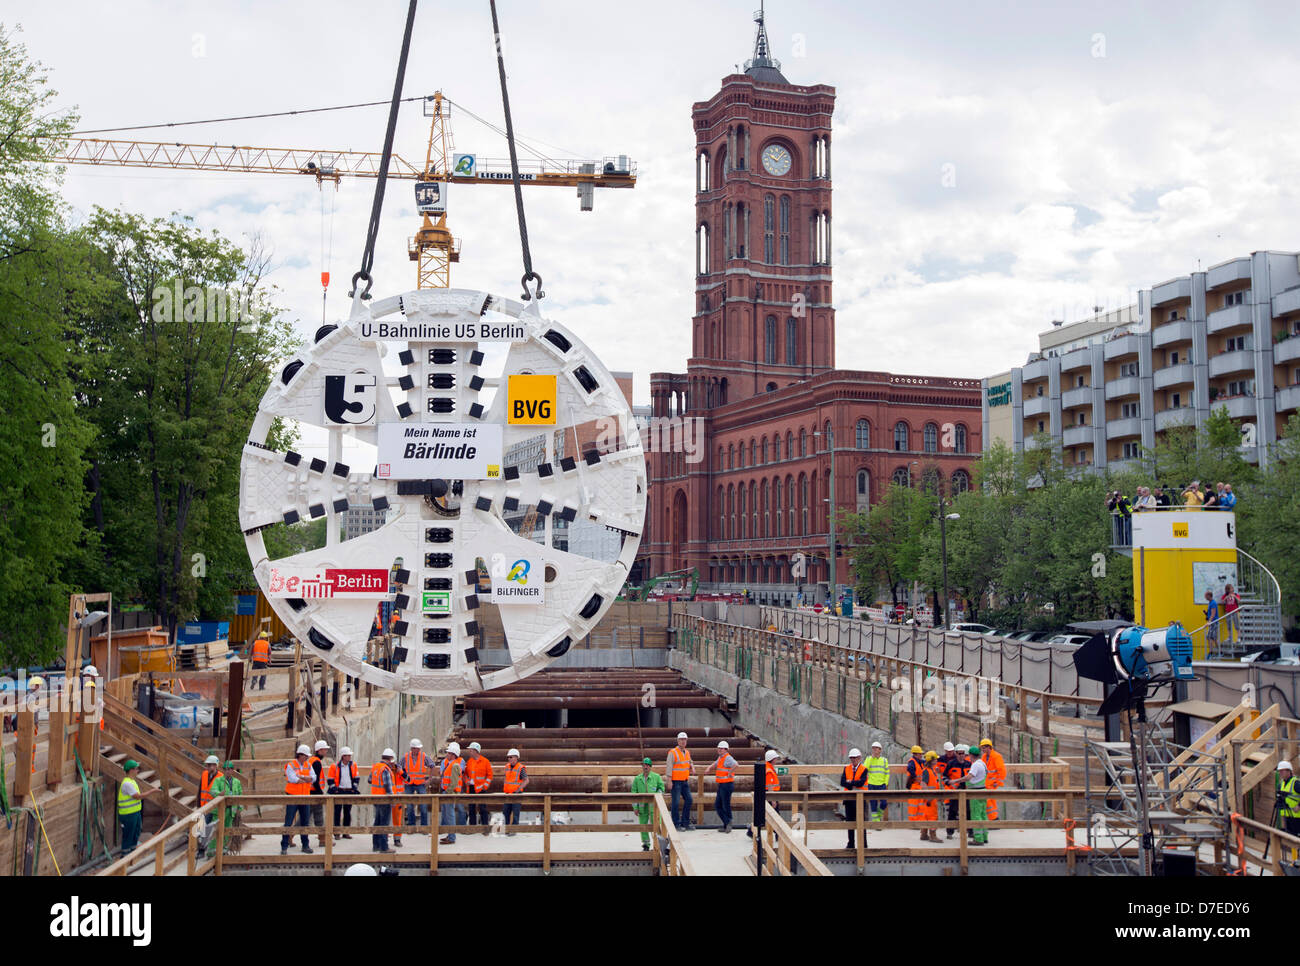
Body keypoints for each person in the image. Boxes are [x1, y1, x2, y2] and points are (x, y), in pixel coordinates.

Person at [282, 744, 315, 855]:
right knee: (288, 822)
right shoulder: (291, 765)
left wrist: (302, 777)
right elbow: (293, 779)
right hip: (293, 797)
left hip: (305, 797)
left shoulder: (308, 765)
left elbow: (313, 778)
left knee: (305, 823)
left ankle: (305, 845)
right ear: (300, 755)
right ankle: (284, 846)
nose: (307, 758)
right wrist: (305, 778)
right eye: (306, 756)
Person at [207, 761, 243, 856]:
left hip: (231, 810)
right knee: (217, 830)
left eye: (229, 769)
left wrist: (240, 808)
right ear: (223, 770)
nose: (227, 771)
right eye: (226, 769)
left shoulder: (237, 782)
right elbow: (212, 791)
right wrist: (219, 794)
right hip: (220, 810)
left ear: (232, 770)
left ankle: (224, 850)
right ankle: (212, 851)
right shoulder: (219, 780)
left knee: (227, 829)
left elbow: (240, 795)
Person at [117, 759, 153, 855]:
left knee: (136, 832)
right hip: (128, 814)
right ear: (131, 770)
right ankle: (125, 855)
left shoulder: (132, 781)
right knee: (128, 834)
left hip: (135, 812)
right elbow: (137, 796)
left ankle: (132, 852)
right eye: (136, 769)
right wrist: (151, 792)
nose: (138, 771)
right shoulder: (127, 783)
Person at [631, 757, 665, 852]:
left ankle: (659, 844)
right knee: (643, 826)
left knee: (657, 825)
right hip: (642, 807)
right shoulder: (638, 779)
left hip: (654, 806)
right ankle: (646, 844)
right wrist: (635, 807)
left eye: (647, 765)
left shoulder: (656, 777)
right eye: (644, 765)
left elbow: (661, 788)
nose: (645, 767)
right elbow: (633, 793)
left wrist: (657, 796)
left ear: (650, 767)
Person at [704, 740, 738, 832]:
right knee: (718, 805)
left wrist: (730, 772)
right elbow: (715, 764)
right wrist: (709, 768)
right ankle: (726, 823)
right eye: (718, 748)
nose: (719, 750)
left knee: (725, 805)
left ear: (726, 750)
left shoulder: (727, 758)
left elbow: (736, 764)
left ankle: (728, 823)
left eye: (721, 748)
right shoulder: (721, 758)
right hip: (722, 784)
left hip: (727, 784)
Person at [438, 742, 467, 845]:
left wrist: (448, 792)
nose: (447, 754)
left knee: (450, 815)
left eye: (449, 753)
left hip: (449, 793)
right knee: (448, 814)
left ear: (453, 754)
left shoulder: (454, 765)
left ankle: (452, 837)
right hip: (447, 792)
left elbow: (454, 782)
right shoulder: (451, 764)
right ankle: (450, 835)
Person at [327, 746, 359, 839]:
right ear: (343, 756)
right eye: (348, 755)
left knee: (347, 812)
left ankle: (346, 832)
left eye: (349, 755)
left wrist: (354, 788)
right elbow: (330, 780)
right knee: (337, 812)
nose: (349, 757)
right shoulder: (334, 766)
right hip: (339, 791)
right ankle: (337, 833)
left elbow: (357, 778)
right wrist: (335, 790)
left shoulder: (353, 765)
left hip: (349, 791)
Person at [369, 748, 396, 853]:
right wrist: (392, 800)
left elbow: (370, 780)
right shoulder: (385, 769)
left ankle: (376, 845)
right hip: (384, 800)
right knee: (384, 824)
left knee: (377, 822)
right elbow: (388, 787)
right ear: (390, 759)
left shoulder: (376, 767)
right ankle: (384, 847)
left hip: (376, 798)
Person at [666, 732, 694, 831]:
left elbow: (689, 761)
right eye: (681, 739)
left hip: (684, 781)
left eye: (684, 739)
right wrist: (669, 781)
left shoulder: (687, 752)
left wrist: (692, 767)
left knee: (689, 800)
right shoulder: (672, 752)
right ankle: (676, 824)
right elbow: (669, 767)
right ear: (678, 741)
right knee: (676, 803)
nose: (683, 741)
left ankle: (685, 823)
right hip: (676, 781)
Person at [839, 748, 867, 849]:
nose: (853, 760)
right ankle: (851, 844)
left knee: (861, 823)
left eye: (855, 758)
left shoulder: (864, 769)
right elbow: (842, 782)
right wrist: (852, 784)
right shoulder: (846, 768)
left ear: (859, 758)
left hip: (860, 800)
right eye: (851, 758)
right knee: (850, 823)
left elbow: (861, 782)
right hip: (848, 799)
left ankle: (863, 845)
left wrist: (850, 782)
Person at [402, 738, 433, 827]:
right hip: (409, 784)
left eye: (419, 748)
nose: (419, 750)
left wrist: (429, 779)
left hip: (420, 784)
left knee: (423, 806)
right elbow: (399, 768)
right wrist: (403, 779)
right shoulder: (406, 757)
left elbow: (432, 765)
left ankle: (424, 827)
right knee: (409, 806)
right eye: (417, 748)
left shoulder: (423, 756)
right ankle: (411, 825)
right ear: (412, 748)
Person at [464, 741, 494, 833]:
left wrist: (485, 786)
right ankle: (473, 828)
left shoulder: (485, 762)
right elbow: (465, 774)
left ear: (476, 751)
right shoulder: (469, 762)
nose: (469, 752)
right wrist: (466, 781)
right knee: (471, 808)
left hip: (481, 789)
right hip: (472, 788)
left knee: (483, 808)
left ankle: (485, 828)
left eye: (471, 750)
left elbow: (490, 775)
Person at [942, 743, 971, 838]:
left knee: (968, 812)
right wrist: (950, 783)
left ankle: (970, 831)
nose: (961, 755)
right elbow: (944, 777)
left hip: (966, 792)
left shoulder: (969, 764)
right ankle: (950, 832)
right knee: (952, 812)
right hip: (954, 792)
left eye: (963, 753)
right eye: (959, 753)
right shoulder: (951, 764)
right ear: (956, 753)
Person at [307, 739, 331, 848]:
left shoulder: (312, 760)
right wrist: (320, 793)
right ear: (320, 750)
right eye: (325, 750)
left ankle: (290, 836)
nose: (326, 752)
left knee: (309, 816)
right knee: (318, 817)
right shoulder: (316, 762)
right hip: (314, 793)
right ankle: (322, 840)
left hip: (310, 792)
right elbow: (315, 780)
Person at [964, 746, 989, 845]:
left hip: (975, 793)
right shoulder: (983, 763)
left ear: (970, 755)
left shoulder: (975, 765)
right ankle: (984, 836)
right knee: (983, 814)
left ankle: (978, 839)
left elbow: (969, 777)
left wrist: (957, 781)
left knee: (976, 815)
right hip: (983, 791)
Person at [502, 748, 528, 833]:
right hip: (507, 794)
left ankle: (514, 831)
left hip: (516, 794)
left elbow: (526, 780)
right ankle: (506, 830)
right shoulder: (506, 767)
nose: (509, 759)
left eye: (511, 757)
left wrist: (518, 790)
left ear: (516, 757)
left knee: (515, 814)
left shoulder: (521, 768)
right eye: (508, 757)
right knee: (506, 812)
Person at [980, 738, 1006, 822]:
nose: (983, 749)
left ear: (989, 747)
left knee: (990, 802)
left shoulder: (996, 756)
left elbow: (1001, 770)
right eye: (982, 748)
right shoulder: (984, 757)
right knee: (988, 802)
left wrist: (997, 782)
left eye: (984, 748)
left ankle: (994, 819)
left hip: (992, 784)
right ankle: (992, 819)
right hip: (986, 784)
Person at [865, 741, 890, 822]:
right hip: (872, 784)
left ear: (880, 750)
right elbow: (865, 769)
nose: (874, 750)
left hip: (881, 784)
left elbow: (887, 773)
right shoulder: (869, 759)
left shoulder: (884, 760)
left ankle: (879, 815)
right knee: (873, 803)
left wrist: (885, 783)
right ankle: (876, 822)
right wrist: (871, 758)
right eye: (873, 748)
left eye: (876, 748)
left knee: (884, 803)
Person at [1278, 762, 1299, 842]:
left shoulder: (1296, 783)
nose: (1280, 773)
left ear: (1289, 771)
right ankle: (1293, 854)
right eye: (1279, 771)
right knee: (1290, 840)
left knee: (1296, 840)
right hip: (1287, 817)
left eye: (1282, 771)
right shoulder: (1281, 784)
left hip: (1297, 818)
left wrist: (1299, 806)